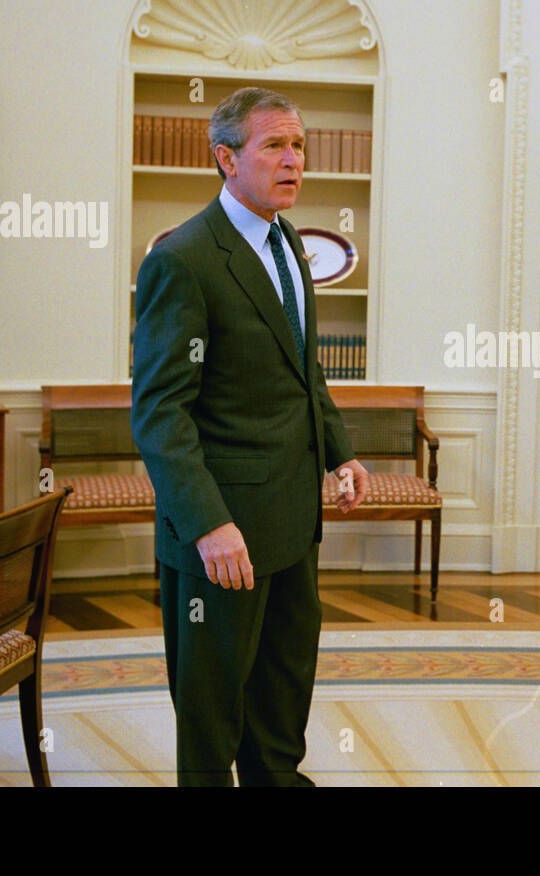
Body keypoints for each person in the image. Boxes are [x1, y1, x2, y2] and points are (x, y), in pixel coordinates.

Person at [131, 87, 370, 786]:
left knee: (283, 689)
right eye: (274, 146)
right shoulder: (182, 259)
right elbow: (159, 414)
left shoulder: (291, 241)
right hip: (222, 536)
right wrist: (207, 523)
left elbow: (304, 369)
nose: (293, 160)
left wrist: (341, 450)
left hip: (295, 519)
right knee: (211, 714)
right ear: (226, 159)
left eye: (298, 145)